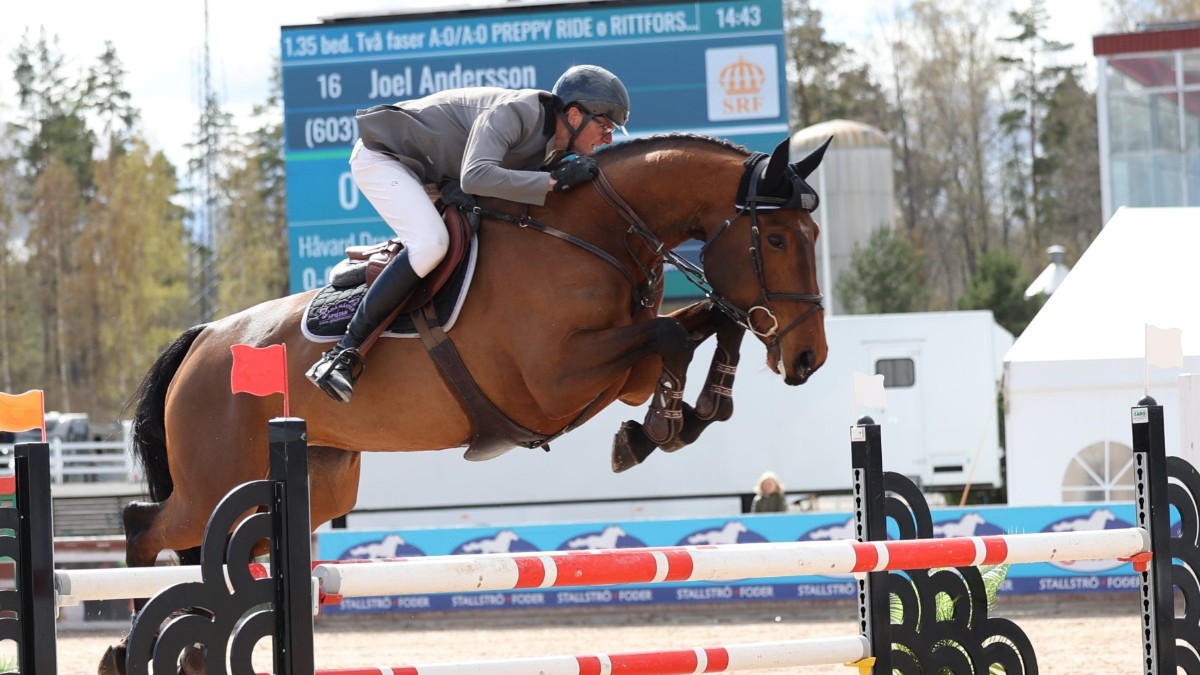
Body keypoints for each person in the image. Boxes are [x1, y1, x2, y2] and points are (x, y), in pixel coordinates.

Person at [306, 65, 631, 403]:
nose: (608, 138)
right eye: (604, 126)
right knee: (432, 243)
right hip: (385, 157)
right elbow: (475, 177)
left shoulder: (554, 147)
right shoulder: (517, 111)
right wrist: (551, 182)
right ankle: (343, 353)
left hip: (433, 173)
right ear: (575, 115)